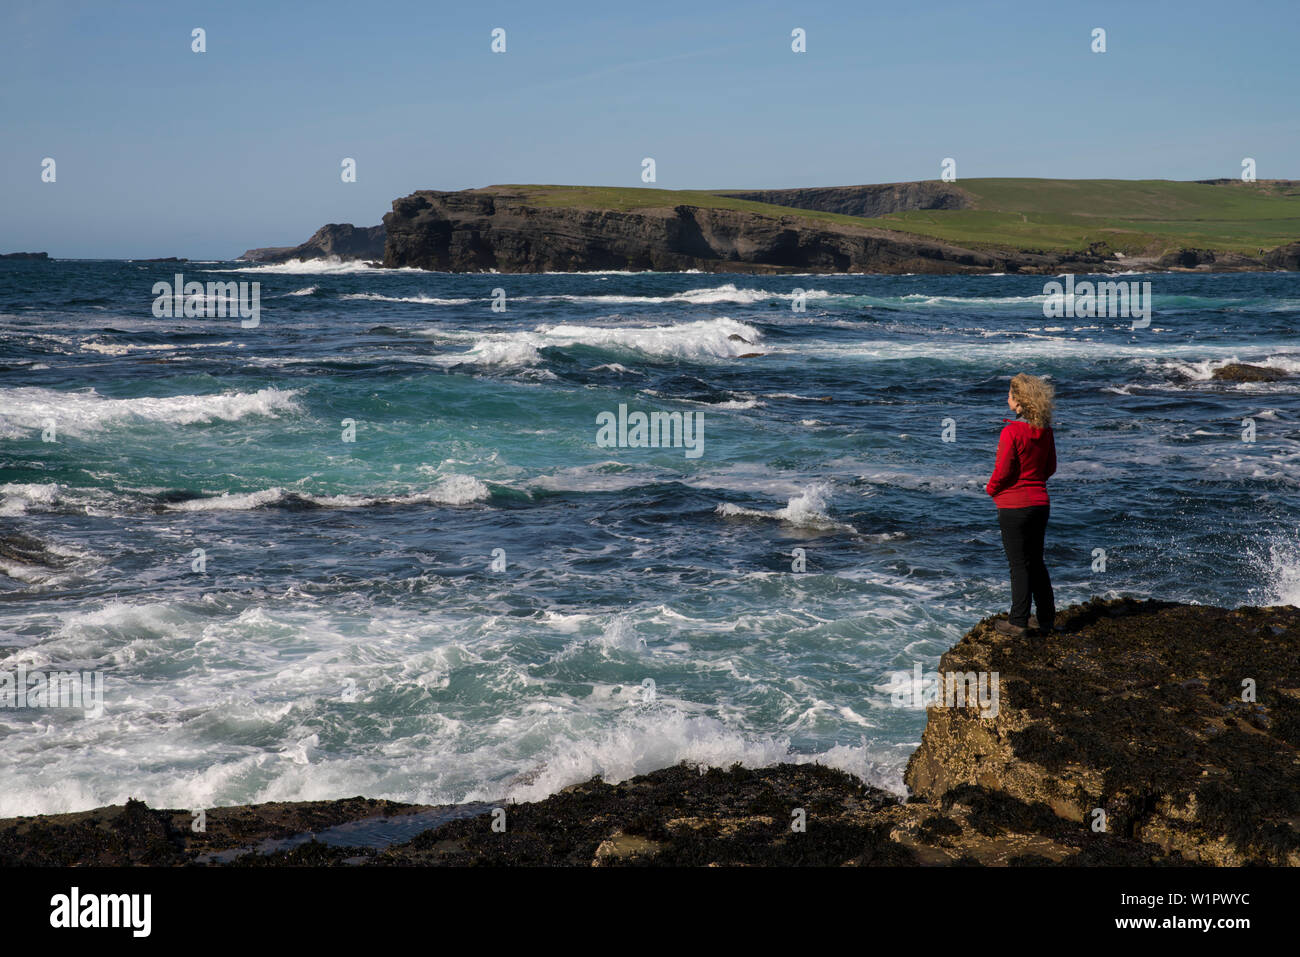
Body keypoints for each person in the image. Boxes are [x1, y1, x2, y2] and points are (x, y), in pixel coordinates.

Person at [986, 373, 1057, 636]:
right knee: (1037, 562)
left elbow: (1003, 471)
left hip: (1014, 506)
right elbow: (1050, 467)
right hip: (1041, 504)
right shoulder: (1045, 430)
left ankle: (1018, 622)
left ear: (1018, 401)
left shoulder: (1011, 431)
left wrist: (991, 489)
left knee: (1018, 565)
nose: (1007, 398)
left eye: (1009, 394)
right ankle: (1046, 619)